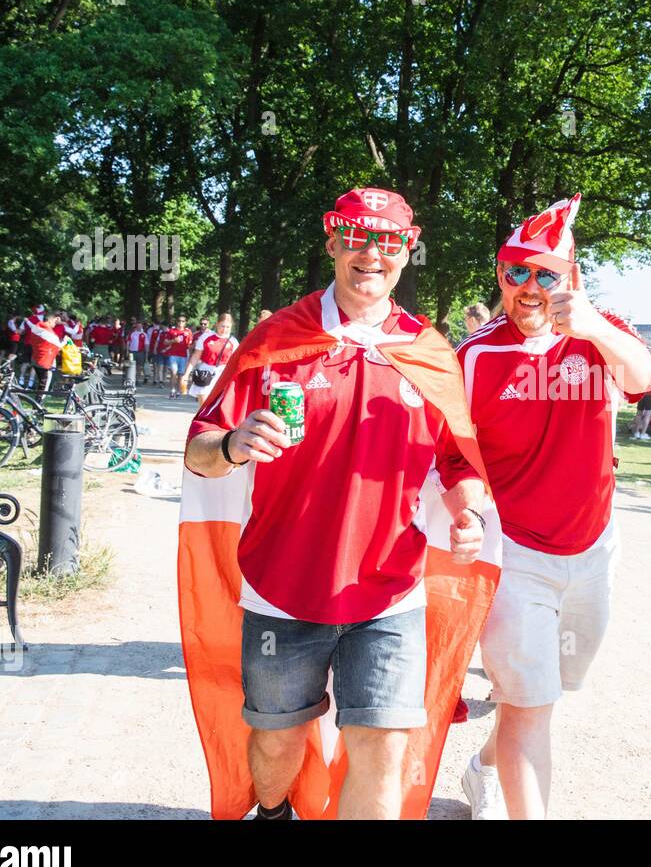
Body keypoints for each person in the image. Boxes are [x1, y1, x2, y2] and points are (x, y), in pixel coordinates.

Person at [180, 186, 492, 820]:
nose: (369, 254)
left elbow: (458, 461)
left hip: (389, 593)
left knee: (381, 744)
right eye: (355, 237)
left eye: (386, 241)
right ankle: (274, 811)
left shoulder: (428, 352)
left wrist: (469, 512)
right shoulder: (276, 338)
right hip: (282, 586)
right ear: (331, 243)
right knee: (275, 744)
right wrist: (236, 443)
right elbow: (197, 451)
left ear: (407, 251)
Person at [454, 194, 651, 819]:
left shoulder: (600, 336)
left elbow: (643, 379)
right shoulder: (476, 356)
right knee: (528, 702)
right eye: (517, 272)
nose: (530, 288)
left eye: (547, 274)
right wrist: (464, 508)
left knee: (546, 693)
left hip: (594, 548)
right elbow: (450, 453)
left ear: (570, 279)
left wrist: (591, 324)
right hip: (514, 553)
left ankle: (484, 765)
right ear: (499, 277)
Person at [181, 313, 238, 403]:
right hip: (205, 373)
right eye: (222, 326)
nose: (225, 329)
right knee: (204, 405)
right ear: (217, 324)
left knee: (217, 406)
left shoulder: (233, 342)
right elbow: (196, 356)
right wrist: (186, 374)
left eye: (228, 327)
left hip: (223, 374)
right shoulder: (206, 337)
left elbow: (235, 362)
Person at [25, 309, 64, 399]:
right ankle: (38, 406)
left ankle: (37, 403)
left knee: (41, 383)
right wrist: (66, 341)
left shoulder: (37, 326)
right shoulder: (48, 332)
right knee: (44, 385)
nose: (55, 325)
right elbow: (59, 345)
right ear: (55, 319)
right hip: (43, 361)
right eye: (56, 322)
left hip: (35, 358)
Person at [162, 315, 193, 398]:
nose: (181, 323)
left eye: (183, 321)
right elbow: (165, 342)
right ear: (177, 322)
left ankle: (178, 391)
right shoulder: (171, 331)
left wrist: (191, 357)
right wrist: (173, 340)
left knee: (180, 374)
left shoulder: (188, 332)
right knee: (173, 372)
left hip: (183, 356)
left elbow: (190, 345)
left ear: (185, 322)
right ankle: (172, 390)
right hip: (173, 355)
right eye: (179, 321)